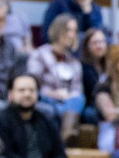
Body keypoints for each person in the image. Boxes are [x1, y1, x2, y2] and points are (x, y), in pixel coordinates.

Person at [27, 15, 86, 144]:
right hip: (46, 98)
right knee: (51, 109)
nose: (71, 35)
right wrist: (53, 94)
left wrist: (69, 95)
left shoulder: (74, 62)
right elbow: (32, 83)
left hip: (69, 102)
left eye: (74, 31)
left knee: (79, 98)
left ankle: (66, 134)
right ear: (57, 30)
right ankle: (66, 136)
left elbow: (77, 87)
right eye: (68, 30)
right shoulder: (39, 55)